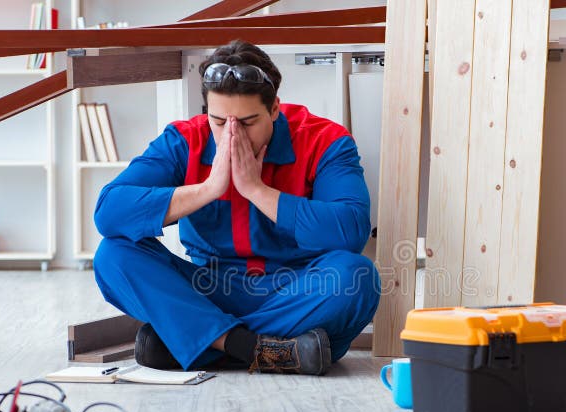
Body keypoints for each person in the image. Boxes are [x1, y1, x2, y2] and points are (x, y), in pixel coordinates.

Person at [92, 40, 380, 376]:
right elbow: (108, 211)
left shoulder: (324, 140)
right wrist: (208, 189)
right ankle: (268, 351)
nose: (231, 135)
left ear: (274, 109)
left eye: (247, 122)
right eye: (218, 121)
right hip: (211, 289)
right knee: (113, 255)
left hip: (295, 290)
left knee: (356, 277)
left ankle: (201, 341)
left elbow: (350, 230)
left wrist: (256, 190)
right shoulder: (183, 140)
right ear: (205, 113)